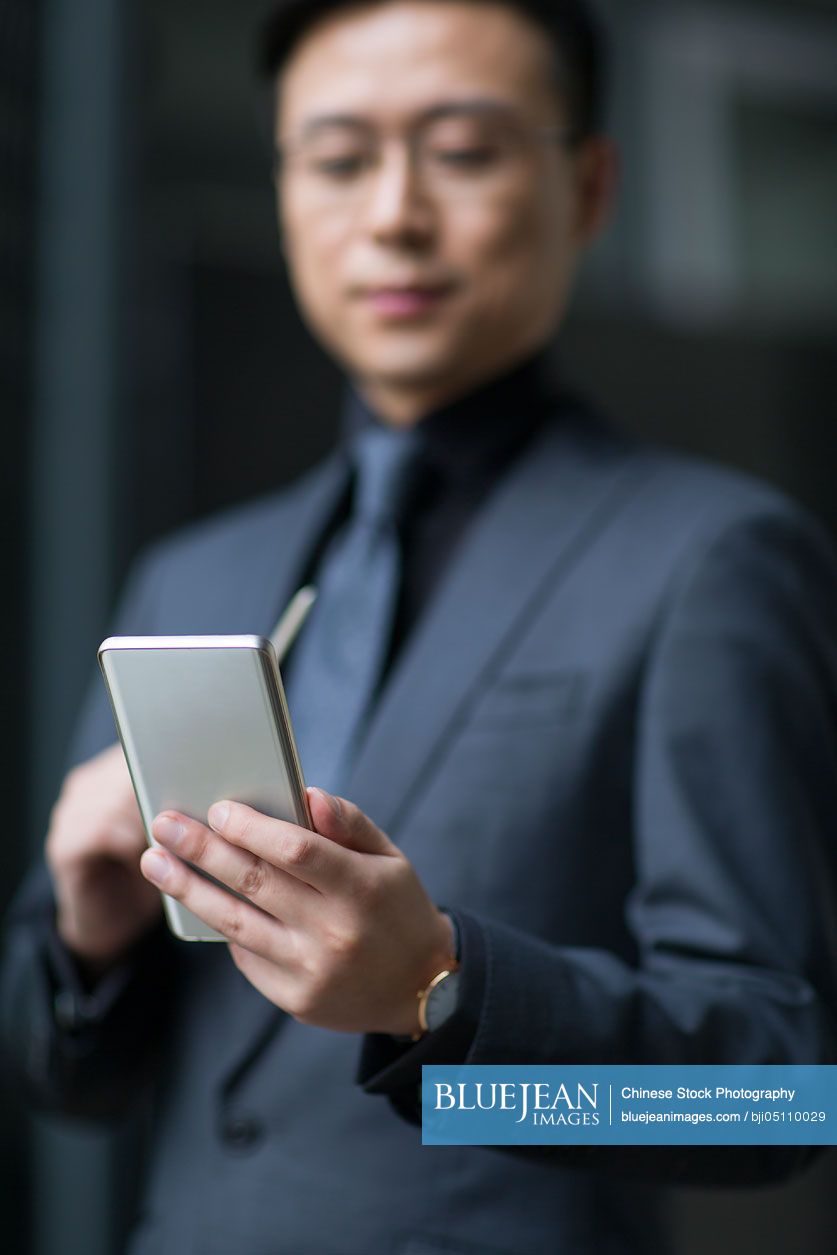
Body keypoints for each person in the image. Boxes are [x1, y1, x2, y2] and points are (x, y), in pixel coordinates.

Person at [3, 2, 837, 1253]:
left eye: (463, 151)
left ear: (589, 187)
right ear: (286, 192)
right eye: (339, 158)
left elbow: (771, 1097)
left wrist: (437, 994)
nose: (393, 213)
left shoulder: (710, 558)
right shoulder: (193, 578)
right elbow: (66, 1081)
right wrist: (91, 937)